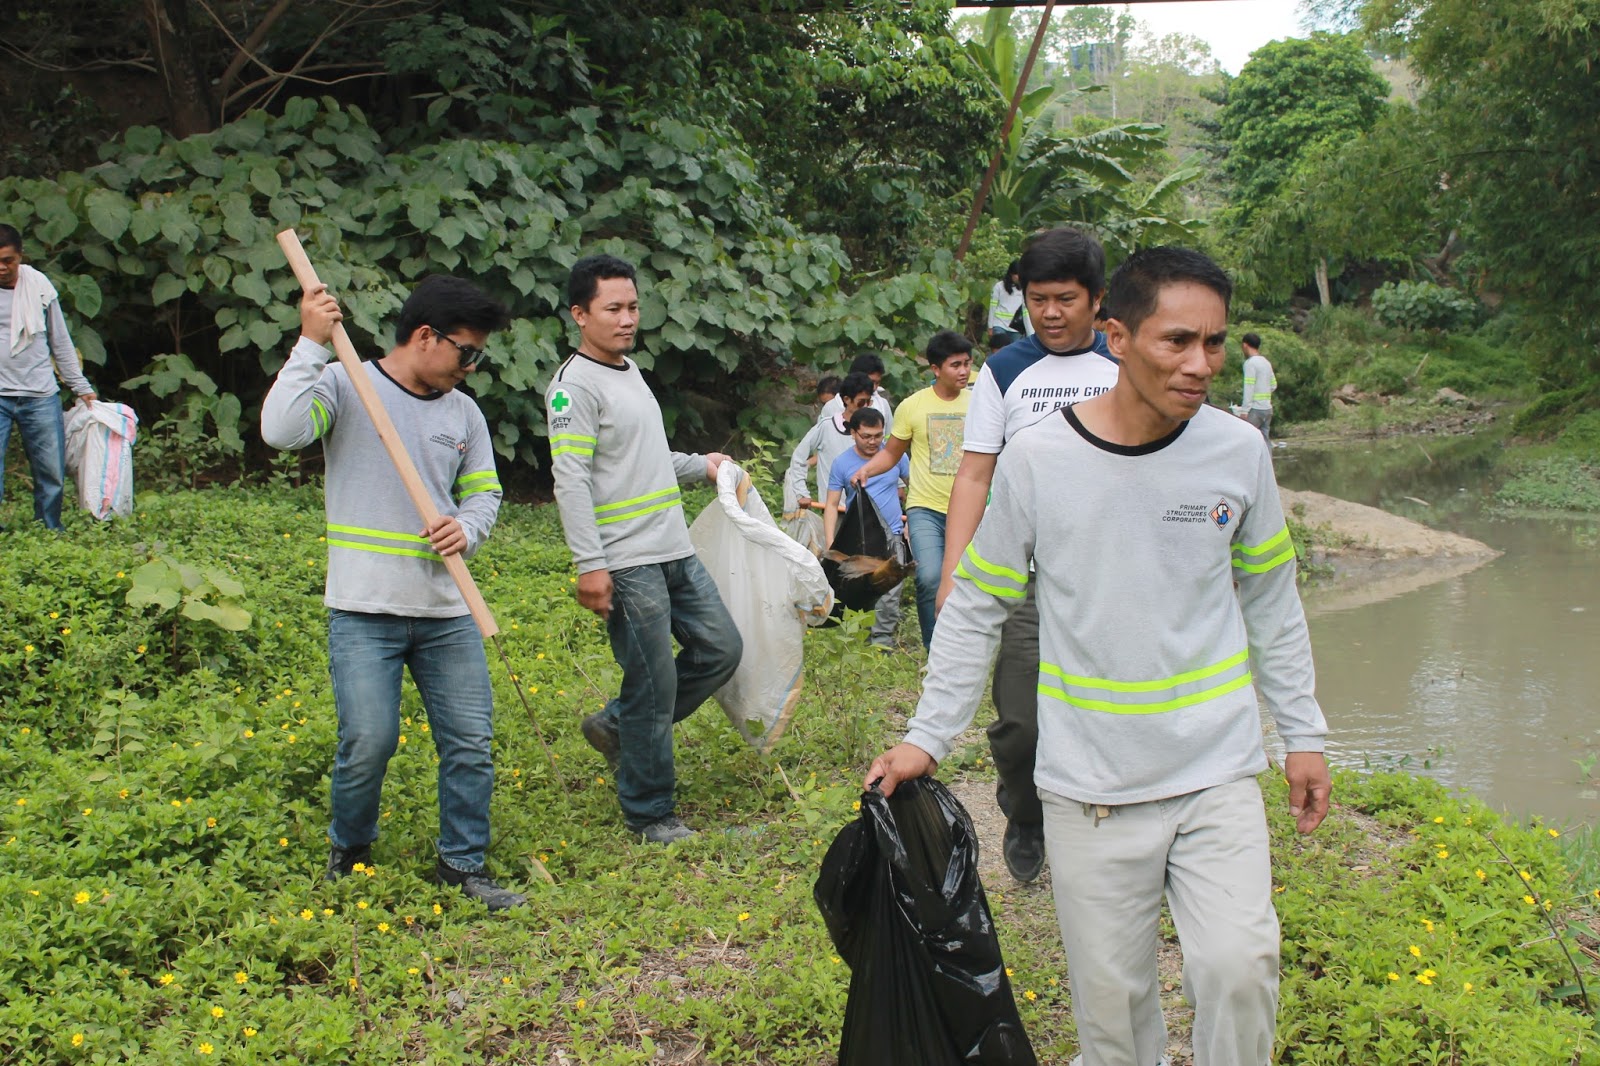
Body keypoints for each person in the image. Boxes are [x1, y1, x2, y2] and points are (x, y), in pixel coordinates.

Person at [867, 245, 1331, 1066]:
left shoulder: (1237, 452)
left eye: (1214, 344)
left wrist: (1303, 733)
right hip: (1091, 787)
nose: (1200, 365)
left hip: (1214, 769)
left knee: (1240, 966)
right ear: (1117, 338)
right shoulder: (1043, 461)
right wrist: (927, 737)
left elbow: (1271, 601)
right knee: (1114, 1021)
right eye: (1177, 342)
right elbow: (978, 605)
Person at [260, 275, 525, 911]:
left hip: (445, 610)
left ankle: (462, 864)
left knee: (469, 741)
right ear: (426, 336)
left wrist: (466, 528)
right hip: (363, 611)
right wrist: (310, 343)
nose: (472, 366)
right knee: (369, 741)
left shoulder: (465, 414)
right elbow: (280, 430)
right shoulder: (346, 386)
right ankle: (349, 851)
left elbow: (485, 493)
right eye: (468, 352)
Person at [938, 226, 1120, 884]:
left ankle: (1110, 830)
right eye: (1038, 298)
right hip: (1023, 579)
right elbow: (974, 474)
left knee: (1113, 714)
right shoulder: (1005, 369)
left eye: (1065, 298)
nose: (1049, 312)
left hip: (1112, 581)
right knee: (1020, 720)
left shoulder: (1127, 364)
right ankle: (1024, 810)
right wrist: (954, 568)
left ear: (1098, 299)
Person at [546, 253, 743, 845]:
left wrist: (702, 465)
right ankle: (650, 812)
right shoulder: (572, 388)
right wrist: (591, 565)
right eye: (613, 309)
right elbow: (571, 479)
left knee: (721, 648)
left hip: (672, 547)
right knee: (653, 686)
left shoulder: (629, 371)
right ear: (581, 315)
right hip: (627, 561)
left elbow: (645, 457)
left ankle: (616, 726)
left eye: (633, 306)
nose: (628, 318)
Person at [848, 330, 973, 648]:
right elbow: (891, 453)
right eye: (955, 365)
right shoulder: (912, 406)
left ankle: (964, 648)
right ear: (935, 368)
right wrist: (867, 470)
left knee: (968, 583)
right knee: (930, 578)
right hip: (926, 508)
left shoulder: (981, 402)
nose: (963, 371)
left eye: (967, 364)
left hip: (972, 508)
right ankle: (936, 654)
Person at [0, 224, 98, 531]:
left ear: (20, 256)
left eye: (8, 260)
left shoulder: (38, 285)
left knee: (51, 471)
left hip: (40, 393)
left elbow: (60, 340)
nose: (1, 268)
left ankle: (49, 527)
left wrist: (81, 386)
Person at [825, 407, 911, 648]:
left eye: (879, 435)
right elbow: (832, 504)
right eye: (867, 436)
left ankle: (882, 644)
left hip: (893, 534)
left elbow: (914, 488)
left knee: (891, 590)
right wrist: (831, 542)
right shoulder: (842, 463)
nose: (874, 442)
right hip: (861, 539)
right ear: (853, 433)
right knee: (862, 589)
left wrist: (911, 523)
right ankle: (863, 641)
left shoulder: (896, 457)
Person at [785, 371, 876, 514]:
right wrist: (801, 492)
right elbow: (799, 457)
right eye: (861, 402)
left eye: (868, 402)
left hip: (870, 510)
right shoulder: (827, 426)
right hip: (835, 510)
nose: (865, 407)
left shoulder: (875, 429)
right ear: (847, 399)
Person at [819, 352, 894, 435]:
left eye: (877, 383)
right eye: (871, 382)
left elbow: (888, 435)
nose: (874, 387)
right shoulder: (831, 407)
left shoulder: (883, 405)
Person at [1240, 332, 1276, 443]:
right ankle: (1267, 460)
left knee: (1246, 439)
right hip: (1267, 408)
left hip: (1255, 410)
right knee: (1265, 441)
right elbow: (1274, 385)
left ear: (1245, 345)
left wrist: (1245, 410)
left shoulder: (1250, 363)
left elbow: (1249, 387)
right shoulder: (1266, 362)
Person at [987, 259, 1025, 350]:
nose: (1018, 277)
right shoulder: (999, 286)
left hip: (1016, 327)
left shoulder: (1025, 288)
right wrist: (990, 326)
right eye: (1016, 274)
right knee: (999, 350)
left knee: (1015, 352)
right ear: (1011, 273)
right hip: (999, 324)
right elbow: (992, 307)